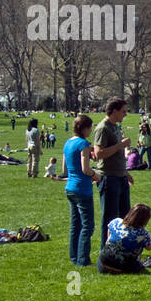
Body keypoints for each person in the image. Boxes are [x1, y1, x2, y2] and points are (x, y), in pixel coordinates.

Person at [93, 99, 134, 247]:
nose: (125, 114)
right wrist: (120, 145)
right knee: (110, 218)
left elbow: (117, 154)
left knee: (125, 216)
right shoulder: (103, 128)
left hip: (120, 176)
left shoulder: (115, 127)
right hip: (109, 178)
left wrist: (125, 172)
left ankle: (122, 250)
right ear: (114, 111)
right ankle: (106, 251)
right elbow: (98, 153)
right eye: (123, 111)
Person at [62, 114, 99, 267]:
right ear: (84, 128)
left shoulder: (67, 143)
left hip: (70, 188)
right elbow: (85, 169)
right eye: (90, 128)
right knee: (87, 225)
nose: (90, 131)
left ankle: (74, 257)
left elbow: (65, 169)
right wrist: (96, 175)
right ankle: (83, 260)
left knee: (75, 225)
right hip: (82, 189)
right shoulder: (83, 143)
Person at [98, 203, 151, 274]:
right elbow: (150, 247)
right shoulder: (143, 234)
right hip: (123, 266)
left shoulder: (116, 222)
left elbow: (108, 235)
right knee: (140, 267)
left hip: (103, 263)